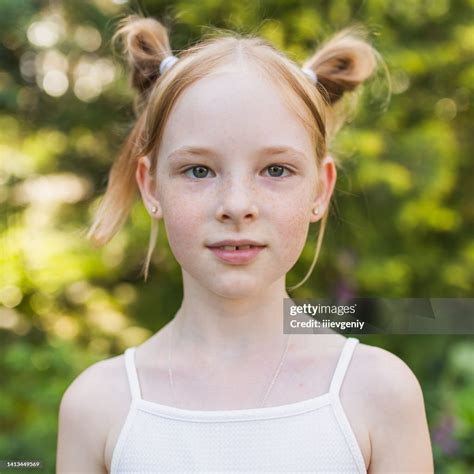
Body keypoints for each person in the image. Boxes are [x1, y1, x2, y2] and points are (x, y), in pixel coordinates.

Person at [56, 13, 434, 473]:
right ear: (151, 187)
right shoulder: (98, 407)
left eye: (275, 170)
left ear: (320, 190)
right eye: (199, 170)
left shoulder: (377, 393)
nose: (236, 205)